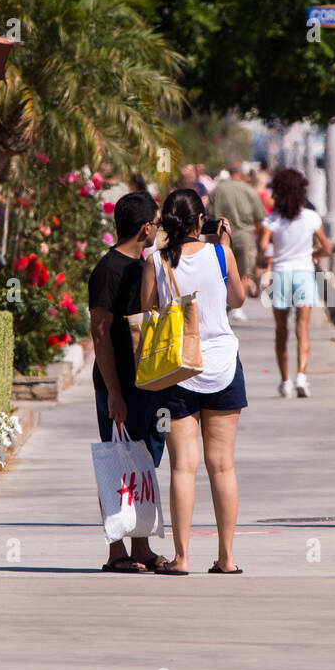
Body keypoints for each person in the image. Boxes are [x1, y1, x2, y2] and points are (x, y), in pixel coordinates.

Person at [140, 188, 249, 574]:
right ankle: (227, 557)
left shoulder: (155, 261)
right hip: (223, 367)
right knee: (222, 466)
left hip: (176, 373)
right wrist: (224, 245)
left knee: (182, 466)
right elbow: (237, 300)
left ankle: (182, 558)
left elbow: (146, 311)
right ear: (201, 220)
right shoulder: (221, 254)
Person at [88, 191, 167, 573]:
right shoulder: (109, 270)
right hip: (117, 384)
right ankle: (116, 551)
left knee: (144, 463)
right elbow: (100, 333)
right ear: (145, 227)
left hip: (145, 384)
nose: (159, 227)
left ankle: (141, 547)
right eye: (157, 221)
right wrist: (114, 393)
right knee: (117, 465)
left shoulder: (145, 265)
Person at [258, 167, 333, 398]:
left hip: (280, 274)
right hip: (303, 273)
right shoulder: (311, 218)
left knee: (282, 331)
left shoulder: (271, 220)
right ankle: (302, 375)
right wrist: (313, 250)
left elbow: (262, 249)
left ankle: (285, 381)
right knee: (303, 328)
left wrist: (271, 255)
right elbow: (327, 249)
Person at [209, 161, 266, 317]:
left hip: (220, 237)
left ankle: (222, 303)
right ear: (241, 174)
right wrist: (261, 242)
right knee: (243, 273)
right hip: (244, 238)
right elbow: (260, 218)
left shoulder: (217, 190)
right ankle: (237, 307)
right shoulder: (249, 191)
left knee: (221, 272)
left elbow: (210, 215)